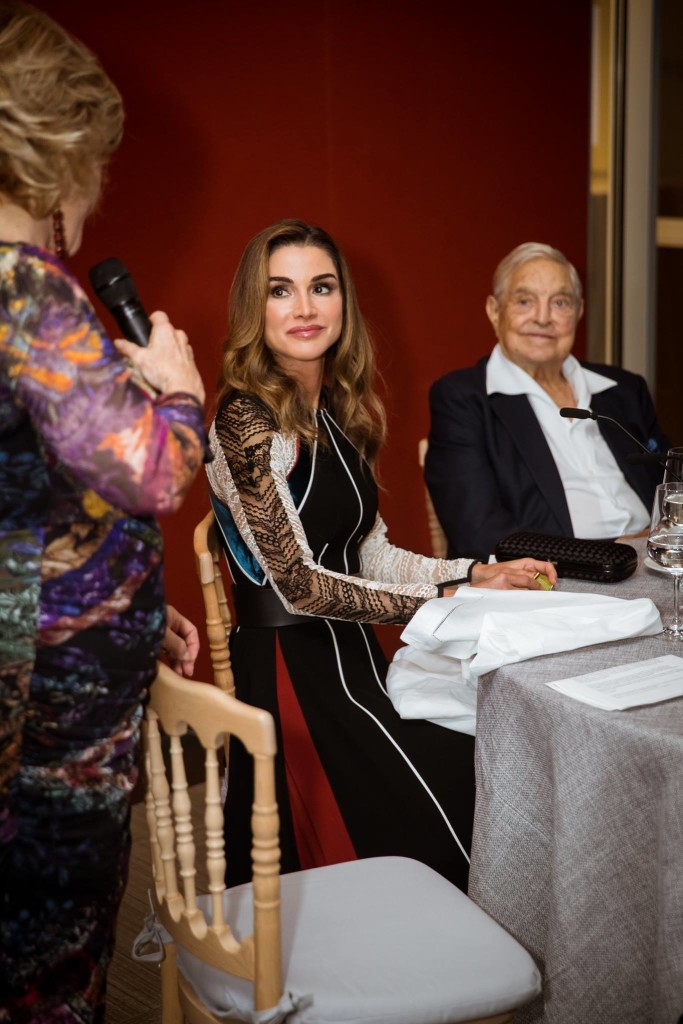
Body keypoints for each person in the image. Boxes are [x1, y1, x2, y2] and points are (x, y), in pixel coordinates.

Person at [206, 219, 556, 894]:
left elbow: (371, 554)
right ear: (256, 307)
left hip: (357, 666)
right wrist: (442, 600)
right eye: (281, 291)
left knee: (495, 763)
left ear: (344, 301)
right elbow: (301, 587)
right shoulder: (245, 420)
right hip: (293, 685)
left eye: (321, 287)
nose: (305, 308)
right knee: (455, 813)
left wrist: (472, 572)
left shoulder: (334, 408)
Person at [0, 4, 207, 1021]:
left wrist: (130, 599)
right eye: (97, 162)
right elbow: (155, 474)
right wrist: (177, 388)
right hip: (46, 724)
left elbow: (38, 499)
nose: (98, 188)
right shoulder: (28, 290)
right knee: (52, 962)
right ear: (57, 153)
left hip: (46, 663)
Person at [425, 242, 669, 562]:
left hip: (660, 565)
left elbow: (671, 487)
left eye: (560, 302)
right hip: (557, 583)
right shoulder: (464, 398)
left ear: (579, 311)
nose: (543, 318)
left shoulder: (623, 389)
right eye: (525, 301)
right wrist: (619, 551)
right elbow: (479, 533)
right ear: (494, 310)